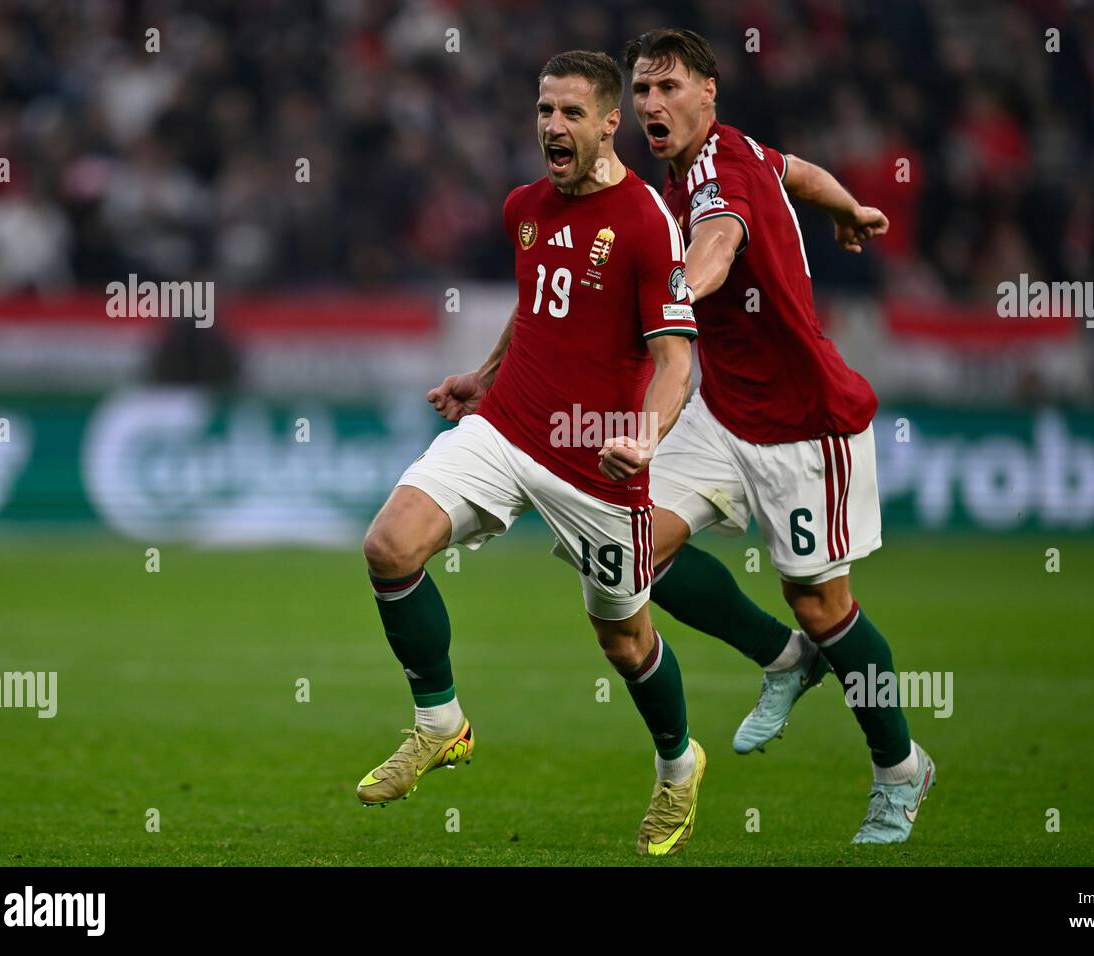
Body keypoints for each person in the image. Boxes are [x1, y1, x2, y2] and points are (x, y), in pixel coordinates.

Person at [357, 50, 707, 856]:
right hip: (506, 428)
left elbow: (676, 362)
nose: (553, 125)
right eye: (545, 110)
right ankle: (440, 722)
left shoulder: (649, 221)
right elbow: (536, 307)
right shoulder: (525, 207)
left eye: (572, 113)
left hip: (598, 461)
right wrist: (482, 376)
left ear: (610, 123)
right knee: (389, 545)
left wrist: (644, 436)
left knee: (624, 642)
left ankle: (676, 766)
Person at [625, 28, 935, 844]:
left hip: (805, 426)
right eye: (642, 91)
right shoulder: (731, 150)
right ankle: (782, 659)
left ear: (708, 91)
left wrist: (674, 293)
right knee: (623, 551)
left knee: (823, 601)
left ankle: (901, 769)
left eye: (669, 88)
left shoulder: (717, 173)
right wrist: (847, 207)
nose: (652, 104)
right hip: (723, 411)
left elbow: (718, 243)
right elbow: (795, 170)